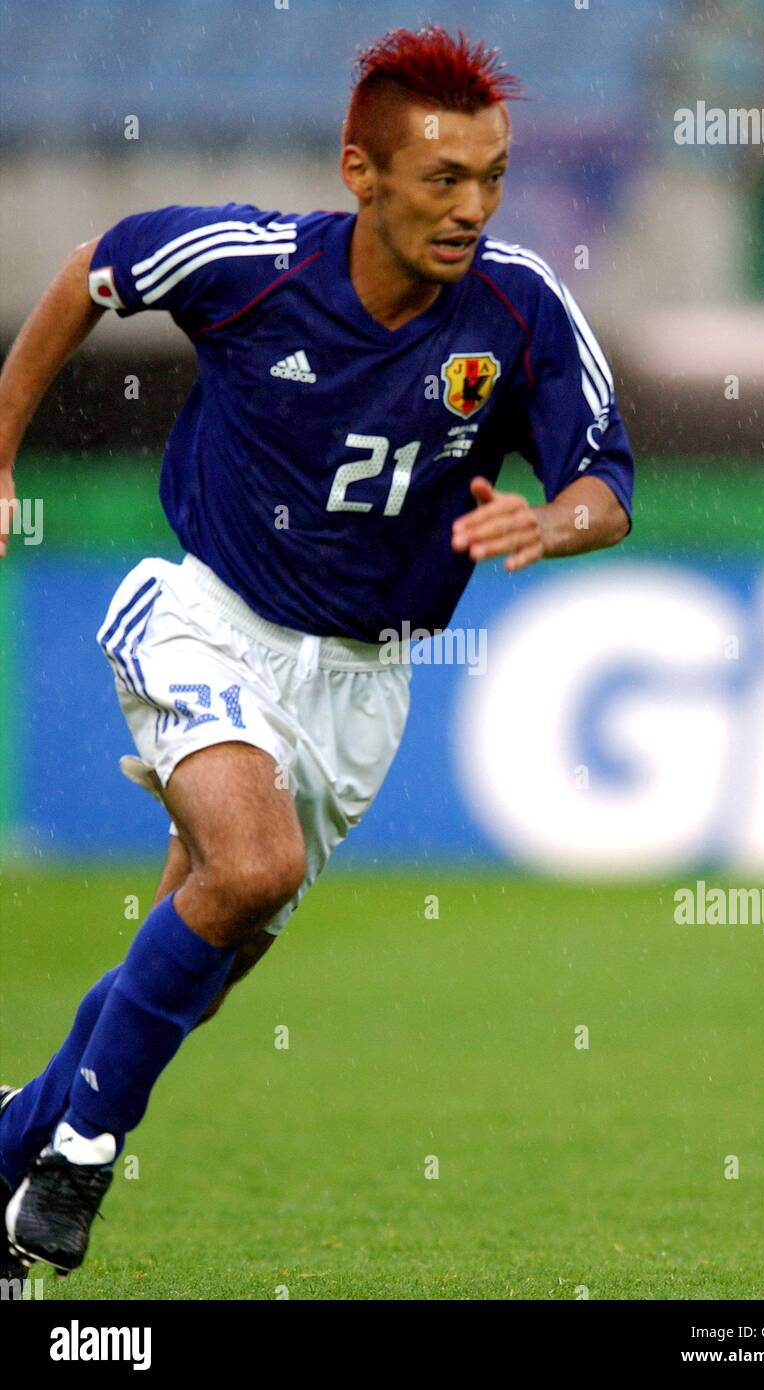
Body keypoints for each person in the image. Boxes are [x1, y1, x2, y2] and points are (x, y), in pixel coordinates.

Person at [0, 25, 633, 1278]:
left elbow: (604, 482)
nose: (472, 208)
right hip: (207, 617)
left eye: (492, 178)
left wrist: (547, 521)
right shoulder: (248, 264)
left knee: (202, 950)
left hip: (360, 683)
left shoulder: (518, 309)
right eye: (442, 179)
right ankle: (76, 1163)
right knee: (250, 862)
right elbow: (89, 273)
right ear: (361, 170)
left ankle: (13, 1141)